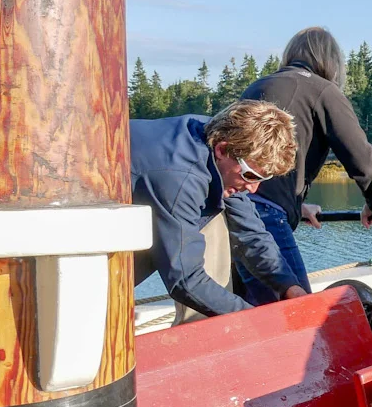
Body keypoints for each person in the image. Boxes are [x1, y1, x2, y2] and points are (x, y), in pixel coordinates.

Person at [237, 27, 372, 304]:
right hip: (264, 219)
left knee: (247, 315)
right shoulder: (323, 91)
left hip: (232, 212)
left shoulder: (257, 87)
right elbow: (362, 160)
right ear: (331, 61)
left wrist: (296, 206)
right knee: (296, 315)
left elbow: (255, 165)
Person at [131, 100, 307, 318]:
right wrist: (257, 321)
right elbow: (186, 279)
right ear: (222, 150)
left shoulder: (217, 139)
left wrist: (290, 287)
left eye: (263, 178)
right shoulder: (180, 178)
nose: (253, 188)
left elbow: (251, 234)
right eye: (250, 175)